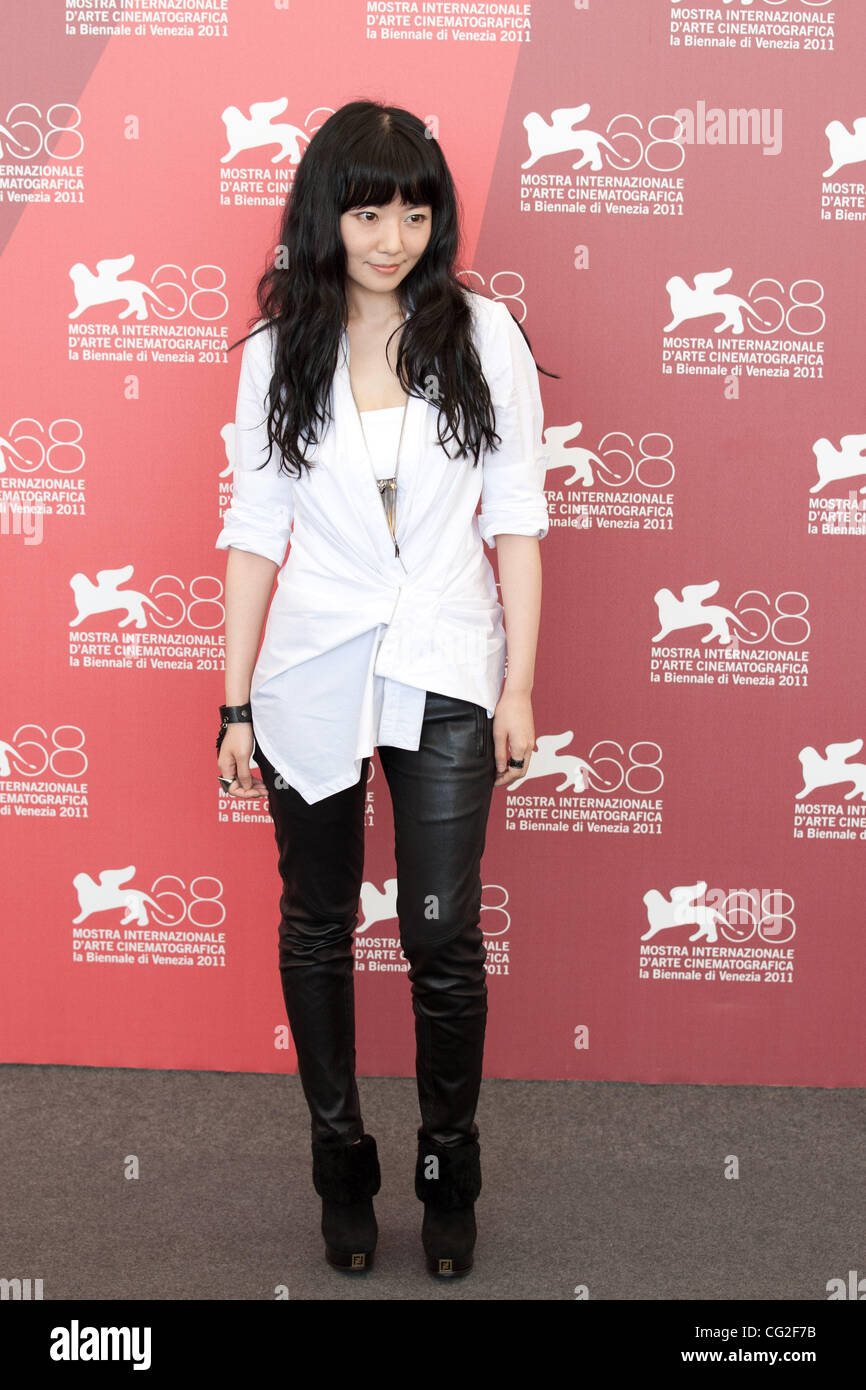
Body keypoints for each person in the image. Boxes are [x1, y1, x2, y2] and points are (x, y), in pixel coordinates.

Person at [215, 100, 555, 1279]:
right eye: (368, 209)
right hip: (312, 666)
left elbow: (515, 520)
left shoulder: (481, 335)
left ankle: (445, 1168)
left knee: (439, 932)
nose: (392, 234)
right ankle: (339, 1162)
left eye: (413, 210)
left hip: (449, 664)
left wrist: (518, 685)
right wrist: (233, 704)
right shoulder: (276, 354)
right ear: (328, 214)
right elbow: (255, 533)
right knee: (315, 923)